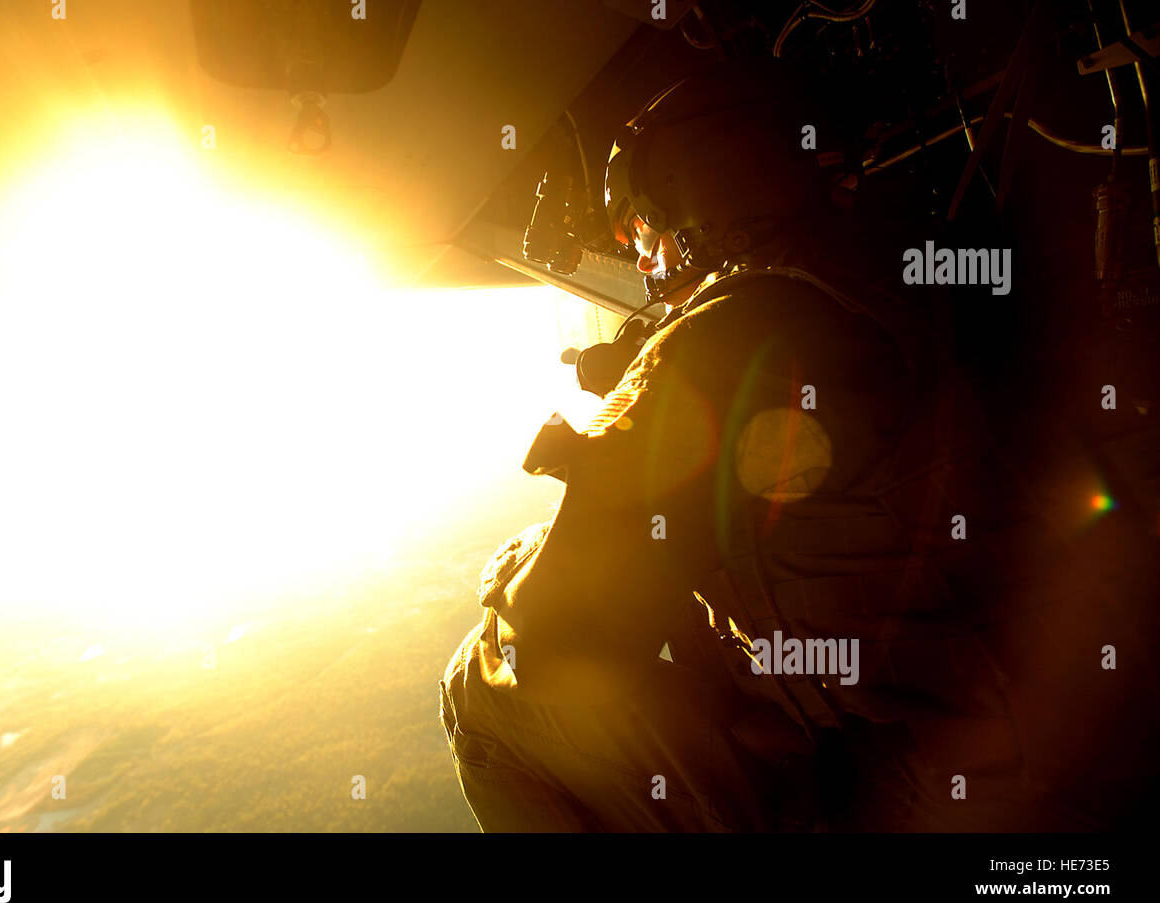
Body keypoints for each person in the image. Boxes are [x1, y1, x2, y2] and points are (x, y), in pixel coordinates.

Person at [439, 59, 1157, 832]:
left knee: (477, 689)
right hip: (1075, 738)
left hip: (951, 791)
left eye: (640, 233)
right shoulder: (888, 276)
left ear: (692, 202)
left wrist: (513, 577)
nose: (644, 265)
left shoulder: (720, 336)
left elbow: (559, 637)